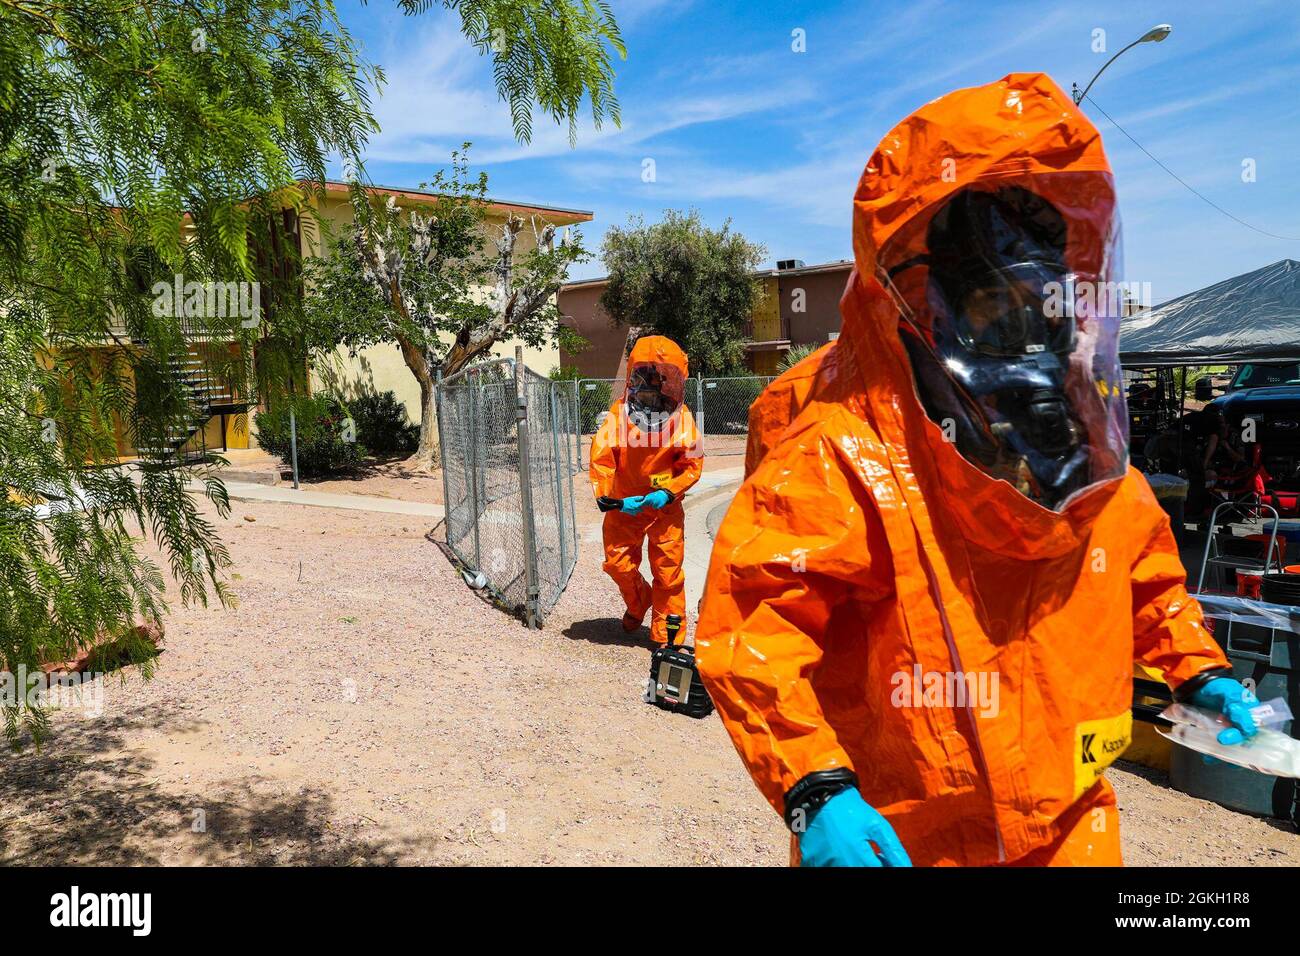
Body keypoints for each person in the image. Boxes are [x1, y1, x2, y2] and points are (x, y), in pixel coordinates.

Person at [695, 73, 1258, 867]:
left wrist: (1196, 668)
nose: (1031, 324)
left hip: (1071, 823)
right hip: (906, 835)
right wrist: (815, 787)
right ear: (926, 303)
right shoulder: (846, 454)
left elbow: (1139, 572)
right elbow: (758, 621)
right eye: (999, 299)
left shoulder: (1083, 447)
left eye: (1044, 292)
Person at [590, 335, 703, 643]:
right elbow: (602, 458)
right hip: (626, 505)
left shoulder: (684, 421)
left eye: (660, 379)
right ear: (634, 379)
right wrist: (606, 497)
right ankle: (640, 601)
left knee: (668, 574)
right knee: (617, 564)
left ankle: (668, 638)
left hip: (664, 508)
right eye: (647, 378)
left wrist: (668, 492)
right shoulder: (618, 416)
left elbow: (693, 466)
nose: (653, 388)